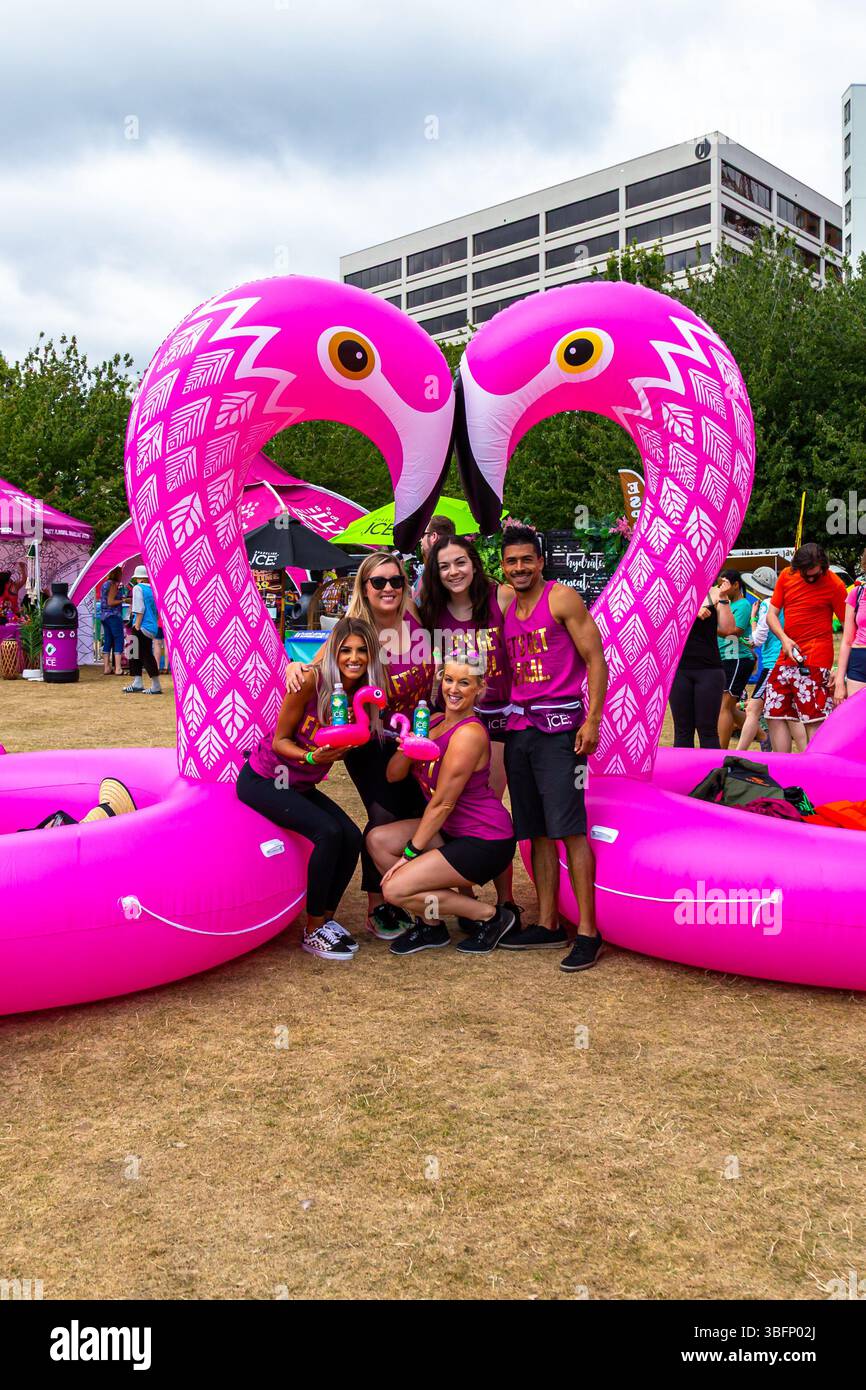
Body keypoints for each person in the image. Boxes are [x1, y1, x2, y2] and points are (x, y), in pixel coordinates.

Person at [285, 551, 434, 940]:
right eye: (378, 582)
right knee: (383, 813)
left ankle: (413, 892)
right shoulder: (354, 631)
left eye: (395, 581)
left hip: (413, 738)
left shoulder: (415, 619)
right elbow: (316, 669)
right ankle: (378, 904)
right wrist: (291, 666)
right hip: (369, 740)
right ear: (364, 589)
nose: (388, 588)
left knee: (413, 811)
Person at [496, 525, 608, 973]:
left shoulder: (561, 598)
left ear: (540, 561)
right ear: (503, 567)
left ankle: (588, 931)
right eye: (511, 561)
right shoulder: (504, 603)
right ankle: (547, 923)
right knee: (536, 831)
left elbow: (596, 658)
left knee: (570, 829)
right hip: (520, 728)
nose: (520, 568)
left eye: (527, 559)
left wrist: (594, 719)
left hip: (560, 730)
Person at [236, 618, 381, 960]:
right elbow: (280, 740)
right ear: (333, 652)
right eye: (345, 650)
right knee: (328, 833)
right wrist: (313, 755)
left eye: (362, 650)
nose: (354, 657)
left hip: (300, 784)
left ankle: (326, 920)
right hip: (265, 779)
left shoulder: (361, 696)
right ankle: (313, 929)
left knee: (351, 835)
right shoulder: (310, 683)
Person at [367, 654, 517, 955]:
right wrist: (411, 746)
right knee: (377, 840)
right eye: (449, 680)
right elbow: (394, 775)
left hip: (484, 839)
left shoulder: (470, 734)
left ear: (479, 688)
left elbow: (443, 804)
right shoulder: (432, 721)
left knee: (394, 889)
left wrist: (409, 855)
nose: (454, 689)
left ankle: (492, 916)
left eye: (464, 683)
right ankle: (431, 927)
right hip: (451, 832)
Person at [418, 534, 519, 923]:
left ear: (474, 564)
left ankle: (506, 900)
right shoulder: (431, 611)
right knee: (456, 806)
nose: (453, 572)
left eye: (460, 562)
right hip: (456, 720)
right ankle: (467, 897)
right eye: (444, 566)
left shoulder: (502, 598)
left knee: (487, 807)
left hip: (498, 717)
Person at [764, 543, 848, 749]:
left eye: (815, 575)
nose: (810, 579)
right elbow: (771, 615)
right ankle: (779, 770)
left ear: (824, 567)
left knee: (813, 717)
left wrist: (839, 672)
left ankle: (816, 771)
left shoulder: (834, 584)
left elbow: (849, 628)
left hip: (816, 659)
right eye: (805, 574)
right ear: (797, 567)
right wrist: (784, 639)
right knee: (773, 713)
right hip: (787, 656)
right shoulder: (786, 575)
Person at [736, 567, 805, 753]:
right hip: (786, 662)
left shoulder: (767, 604)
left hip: (772, 665)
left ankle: (737, 754)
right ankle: (805, 753)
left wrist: (750, 622)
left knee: (754, 710)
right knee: (788, 714)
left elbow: (758, 640)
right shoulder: (785, 602)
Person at [669, 584, 735, 748]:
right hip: (679, 670)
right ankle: (684, 773)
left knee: (708, 730)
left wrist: (724, 598)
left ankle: (714, 773)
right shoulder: (671, 592)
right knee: (683, 730)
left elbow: (728, 630)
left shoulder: (715, 593)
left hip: (709, 670)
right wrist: (691, 610)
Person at [715, 569, 754, 749]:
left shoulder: (743, 605)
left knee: (724, 705)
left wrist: (708, 627)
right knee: (727, 707)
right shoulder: (725, 605)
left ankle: (720, 753)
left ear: (736, 584)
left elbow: (734, 632)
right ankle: (761, 734)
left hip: (737, 658)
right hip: (726, 658)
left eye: (724, 583)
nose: (720, 587)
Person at [123, 566, 162, 695]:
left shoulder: (138, 588)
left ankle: (152, 684)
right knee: (138, 652)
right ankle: (138, 682)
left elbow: (139, 608)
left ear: (138, 578)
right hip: (152, 626)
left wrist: (137, 626)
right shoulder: (153, 589)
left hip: (141, 625)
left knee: (141, 654)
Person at [834, 547, 866, 703]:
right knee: (858, 719)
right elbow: (847, 640)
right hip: (859, 661)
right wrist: (840, 680)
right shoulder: (857, 593)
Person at [411, 514, 456, 602]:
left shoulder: (440, 573)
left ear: (433, 537)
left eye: (422, 534)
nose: (420, 540)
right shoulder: (453, 570)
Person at [100, 566, 125, 676]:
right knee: (118, 639)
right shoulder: (113, 585)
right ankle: (118, 668)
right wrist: (123, 600)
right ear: (117, 574)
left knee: (108, 640)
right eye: (120, 573)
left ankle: (106, 667)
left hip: (104, 616)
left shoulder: (105, 584)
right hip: (114, 616)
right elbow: (110, 602)